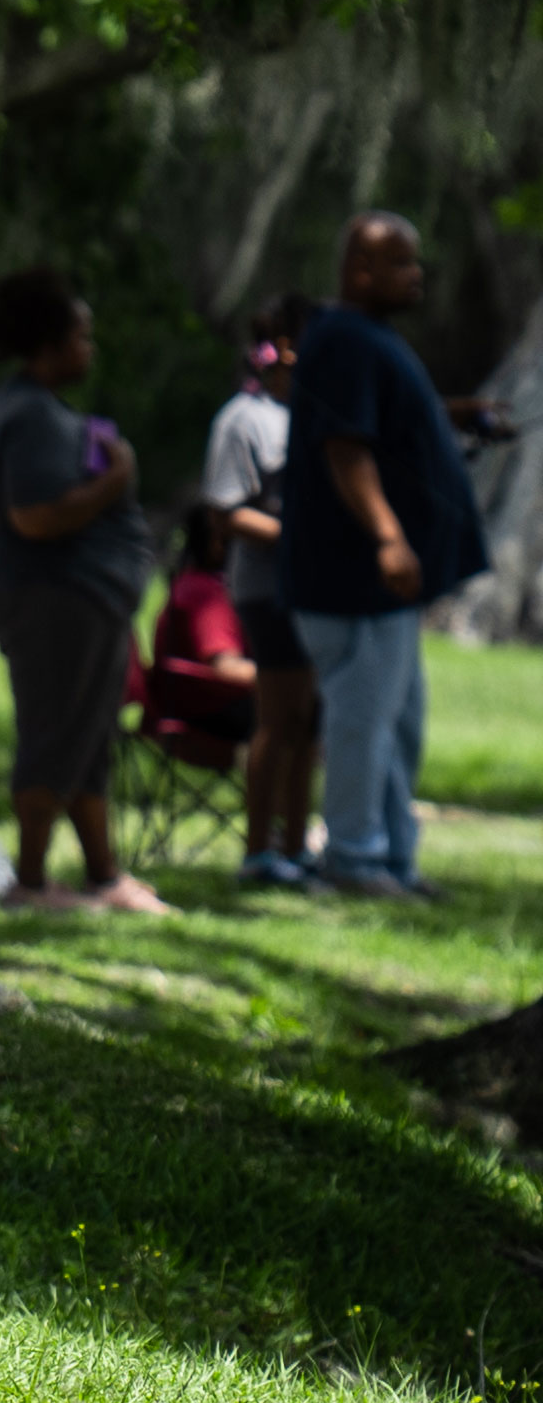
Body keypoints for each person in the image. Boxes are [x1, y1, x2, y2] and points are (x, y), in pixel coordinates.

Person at [281, 214, 494, 899]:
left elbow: (392, 418)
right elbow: (345, 448)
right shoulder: (344, 338)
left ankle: (393, 858)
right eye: (401, 263)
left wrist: (453, 414)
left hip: (387, 593)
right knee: (361, 722)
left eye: (416, 262)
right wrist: (388, 537)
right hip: (355, 580)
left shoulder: (368, 340)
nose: (417, 275)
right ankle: (349, 858)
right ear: (360, 269)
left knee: (399, 725)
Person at [0, 266, 168, 913]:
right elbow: (36, 515)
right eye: (82, 336)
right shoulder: (29, 415)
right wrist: (116, 481)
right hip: (54, 600)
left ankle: (103, 874)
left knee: (89, 733)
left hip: (87, 601)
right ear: (50, 344)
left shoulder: (37, 411)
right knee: (53, 731)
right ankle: (29, 883)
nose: (90, 349)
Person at [199, 295, 319, 888]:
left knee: (310, 723)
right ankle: (257, 852)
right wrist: (298, 538)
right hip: (266, 590)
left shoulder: (311, 414)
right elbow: (225, 513)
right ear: (283, 353)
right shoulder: (242, 420)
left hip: (314, 589)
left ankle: (297, 847)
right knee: (277, 719)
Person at [149, 504, 256, 741]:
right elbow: (226, 668)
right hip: (206, 714)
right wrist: (282, 679)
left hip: (187, 705)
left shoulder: (190, 583)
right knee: (296, 707)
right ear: (217, 541)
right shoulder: (205, 593)